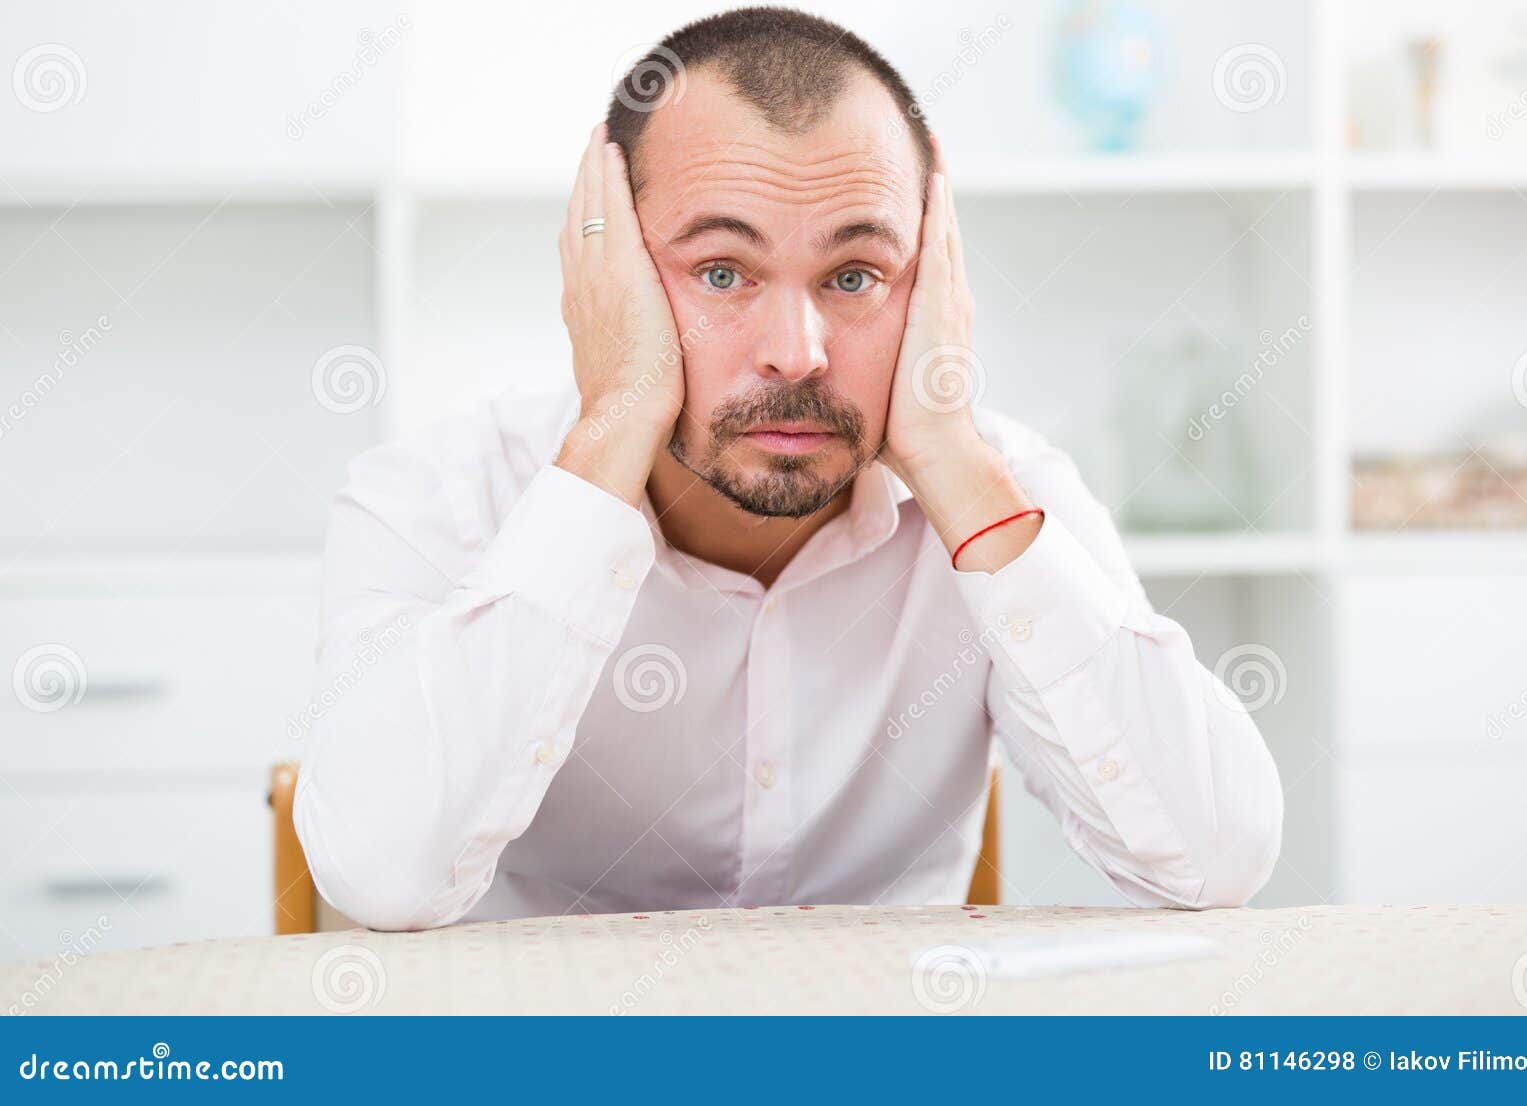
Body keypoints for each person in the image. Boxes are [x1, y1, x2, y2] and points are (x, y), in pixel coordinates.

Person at [294, 6, 1284, 931]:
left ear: (930, 278)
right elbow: (383, 874)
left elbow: (1214, 858)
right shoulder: (436, 496)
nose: (798, 349)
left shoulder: (1001, 492)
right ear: (610, 272)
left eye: (854, 276)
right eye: (722, 272)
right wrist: (614, 426)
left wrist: (950, 459)